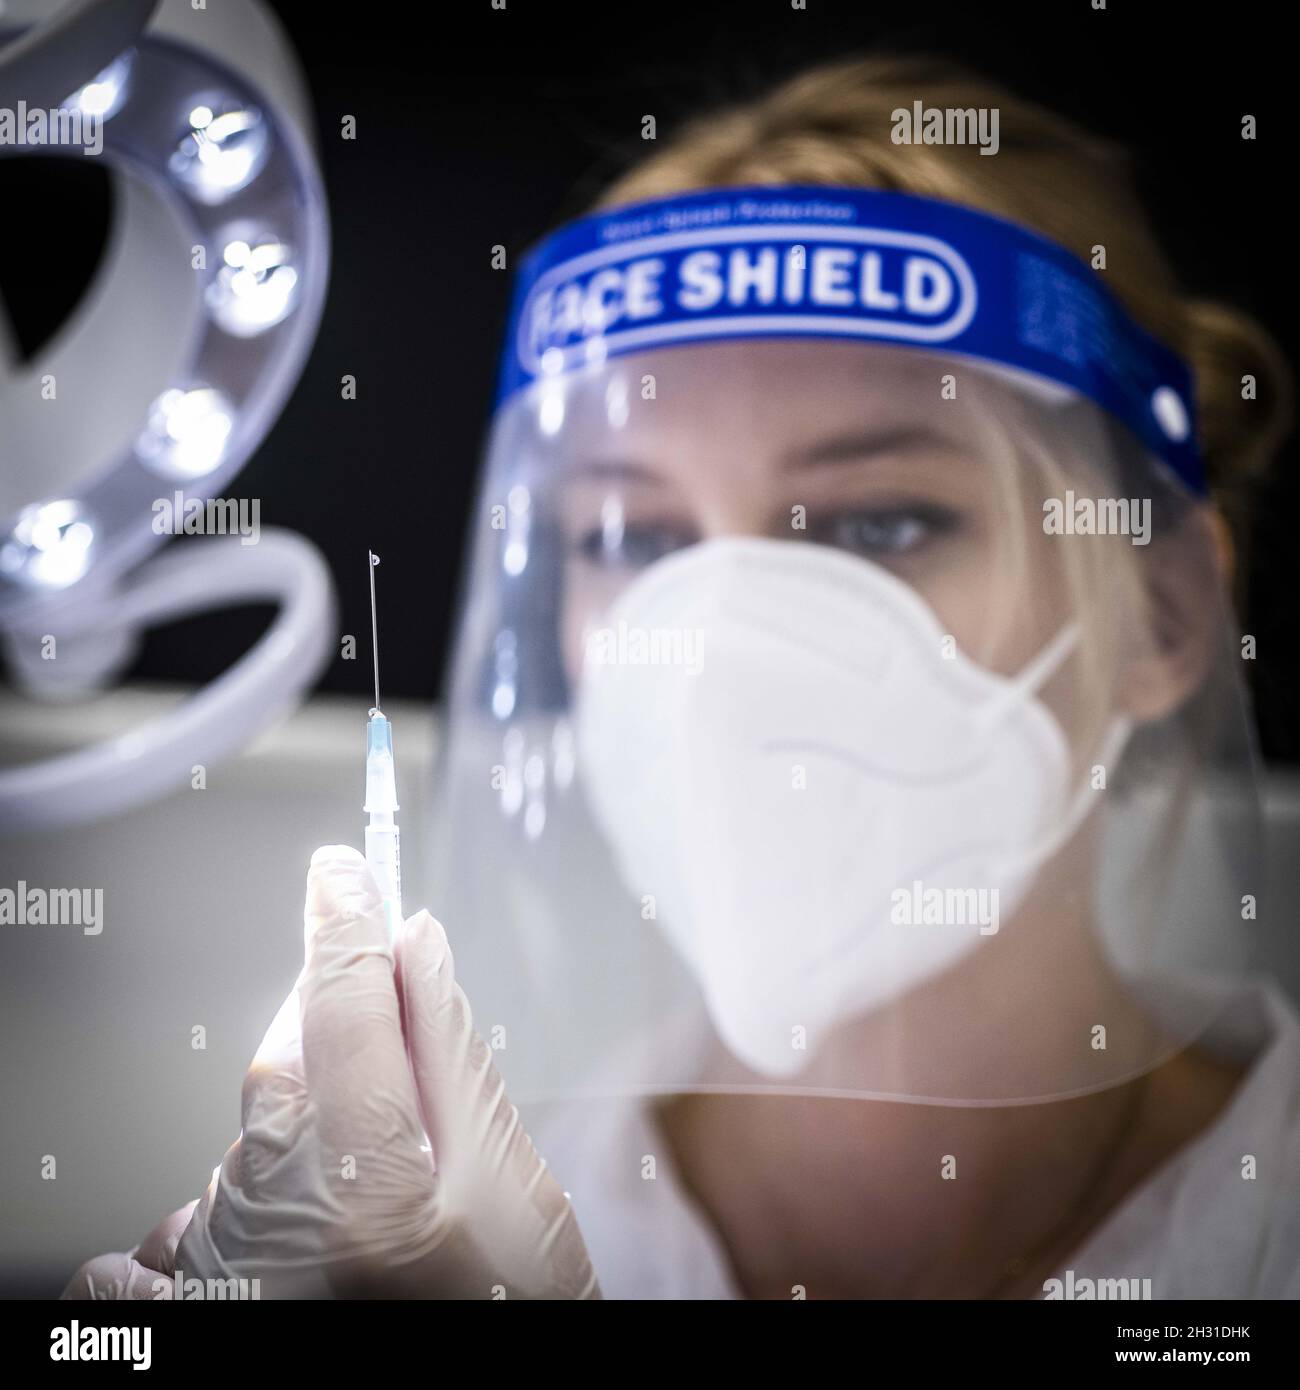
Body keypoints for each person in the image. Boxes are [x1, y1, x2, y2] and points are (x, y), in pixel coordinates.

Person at [66, 54, 1298, 1301]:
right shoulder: (461, 1225)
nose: (714, 648)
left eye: (874, 524)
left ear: (1160, 609)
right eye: (631, 540)